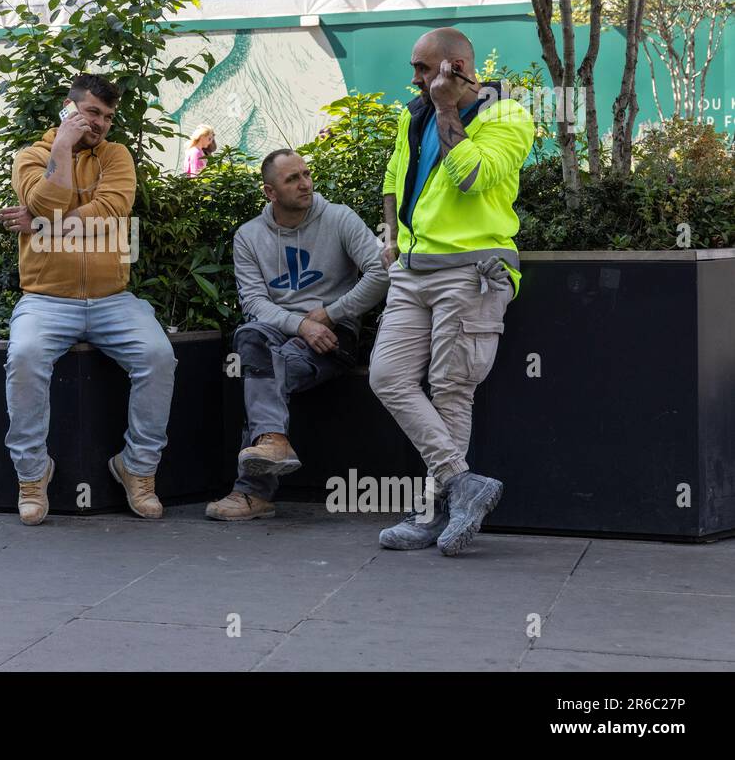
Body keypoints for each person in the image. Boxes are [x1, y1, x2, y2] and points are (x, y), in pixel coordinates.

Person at [369, 27, 534, 556]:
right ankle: (464, 484)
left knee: (450, 388)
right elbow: (395, 175)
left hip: (473, 271)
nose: (415, 80)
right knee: (387, 377)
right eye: (416, 69)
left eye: (425, 70)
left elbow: (472, 177)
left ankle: (433, 512)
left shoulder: (507, 115)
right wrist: (390, 236)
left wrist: (446, 111)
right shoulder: (412, 111)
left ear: (459, 67)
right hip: (411, 271)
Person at [0, 73, 176, 525]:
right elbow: (50, 200)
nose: (99, 123)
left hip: (113, 298)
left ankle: (137, 467)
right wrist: (61, 149)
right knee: (25, 356)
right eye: (92, 112)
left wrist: (38, 223)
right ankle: (33, 474)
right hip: (45, 299)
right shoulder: (31, 157)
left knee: (158, 356)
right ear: (68, 108)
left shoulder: (117, 156)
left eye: (108, 117)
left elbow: (113, 211)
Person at [206, 150, 389, 521]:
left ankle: (253, 491)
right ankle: (270, 450)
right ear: (270, 192)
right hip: (276, 336)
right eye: (292, 179)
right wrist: (301, 324)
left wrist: (331, 314)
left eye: (306, 174)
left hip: (334, 339)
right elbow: (254, 302)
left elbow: (382, 272)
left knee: (260, 380)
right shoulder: (249, 236)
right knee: (251, 336)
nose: (305, 183)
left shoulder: (339, 218)